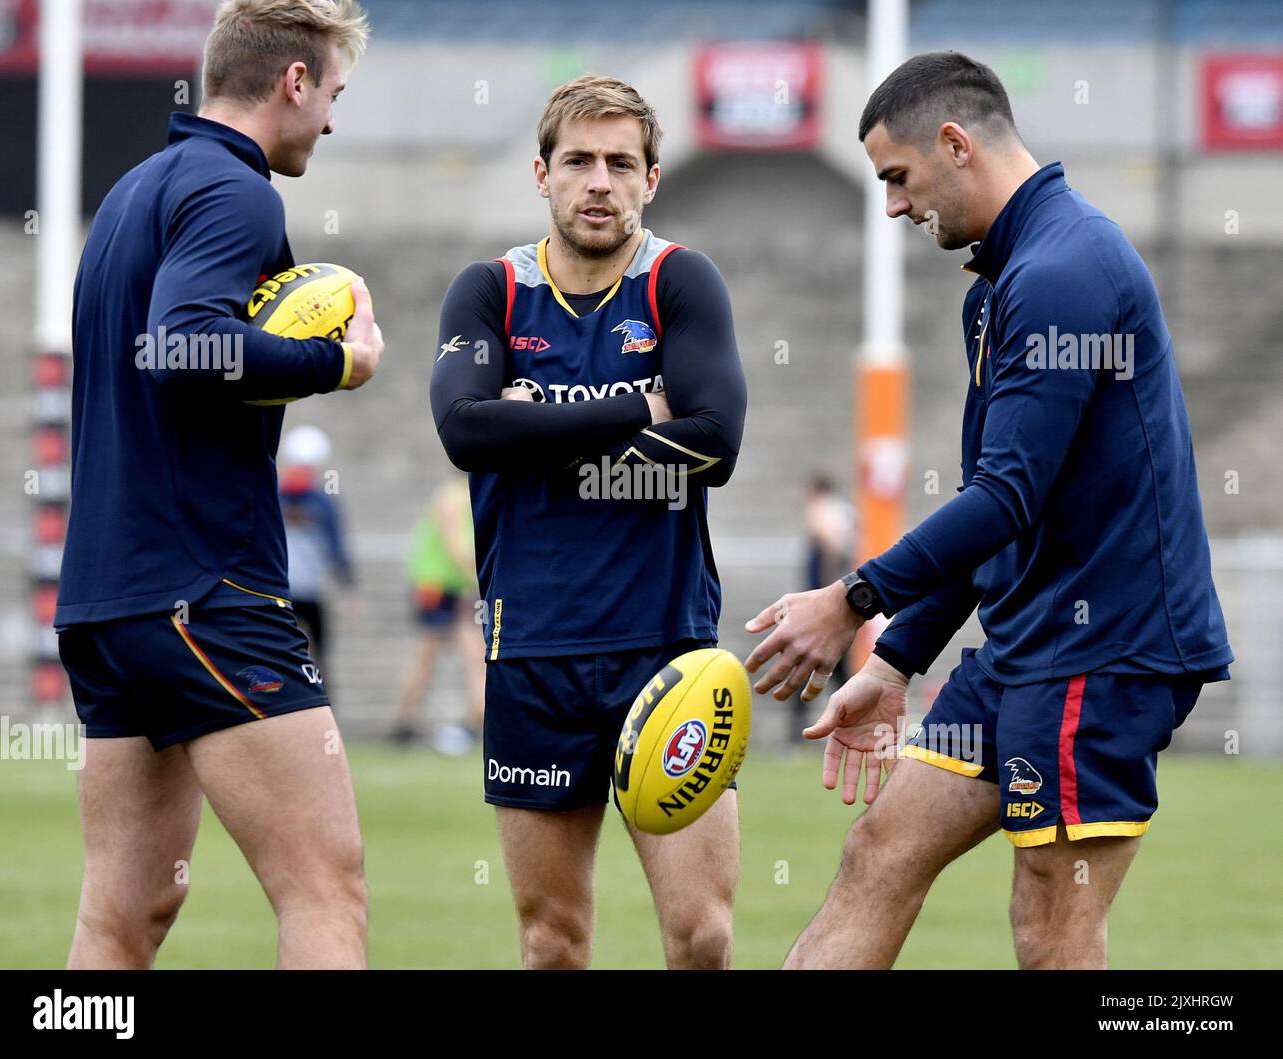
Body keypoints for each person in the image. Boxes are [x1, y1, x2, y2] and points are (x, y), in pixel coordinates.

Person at [744, 51, 1232, 970]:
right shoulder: (1008, 283)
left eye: (898, 176)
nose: (893, 205)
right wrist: (894, 659)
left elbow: (1003, 496)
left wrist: (849, 598)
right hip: (1023, 646)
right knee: (878, 852)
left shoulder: (1065, 269)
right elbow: (998, 516)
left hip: (1105, 651)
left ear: (956, 143)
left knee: (1050, 932)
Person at [54, 0, 382, 969]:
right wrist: (334, 365)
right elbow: (182, 346)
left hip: (108, 605)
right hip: (206, 594)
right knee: (326, 889)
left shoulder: (130, 195)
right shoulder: (238, 194)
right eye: (330, 93)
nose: (331, 120)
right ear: (292, 81)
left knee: (122, 917)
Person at [430, 75, 747, 969]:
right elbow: (465, 431)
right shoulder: (487, 291)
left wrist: (532, 428)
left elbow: (716, 442)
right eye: (578, 161)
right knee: (553, 944)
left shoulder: (680, 282)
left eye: (620, 163)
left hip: (668, 654)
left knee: (704, 937)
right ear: (543, 175)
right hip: (532, 652)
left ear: (651, 178)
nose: (599, 181)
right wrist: (634, 408)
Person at [390, 472, 484, 751]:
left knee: (468, 658)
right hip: (438, 586)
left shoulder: (460, 495)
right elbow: (456, 547)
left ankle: (410, 724)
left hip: (450, 586)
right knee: (432, 657)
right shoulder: (453, 496)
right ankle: (405, 723)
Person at [279, 424, 358, 672]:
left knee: (289, 653)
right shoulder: (323, 501)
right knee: (318, 656)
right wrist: (348, 587)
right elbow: (336, 547)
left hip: (283, 591)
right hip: (303, 591)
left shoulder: (274, 494)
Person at [790, 471, 858, 742]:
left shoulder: (821, 509)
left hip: (822, 607)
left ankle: (798, 737)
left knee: (802, 666)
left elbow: (831, 545)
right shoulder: (845, 511)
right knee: (840, 671)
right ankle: (851, 723)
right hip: (840, 603)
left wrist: (829, 590)